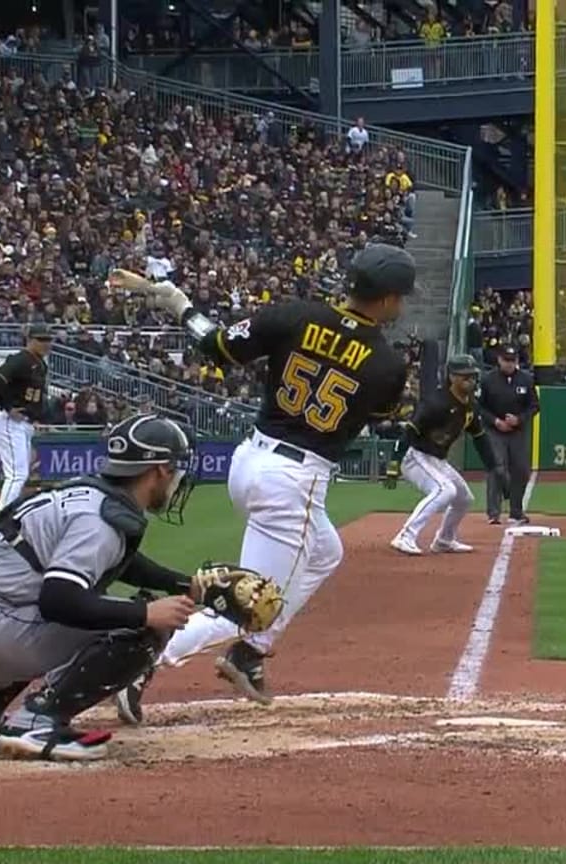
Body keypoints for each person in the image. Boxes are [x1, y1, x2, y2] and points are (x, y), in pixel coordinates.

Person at [103, 242, 410, 718]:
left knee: (326, 552)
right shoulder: (388, 364)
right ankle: (140, 662)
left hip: (249, 461)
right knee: (248, 604)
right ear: (387, 299)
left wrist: (177, 302)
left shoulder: (294, 315)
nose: (401, 305)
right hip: (295, 480)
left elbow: (215, 344)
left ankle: (250, 653)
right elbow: (380, 413)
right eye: (400, 298)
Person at [0, 414, 202, 762]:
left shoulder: (88, 495)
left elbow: (115, 559)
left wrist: (183, 584)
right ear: (161, 470)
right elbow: (59, 601)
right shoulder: (99, 520)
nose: (178, 478)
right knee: (139, 628)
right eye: (176, 468)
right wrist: (145, 613)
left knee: (78, 604)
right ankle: (38, 722)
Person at [386, 352, 497, 555]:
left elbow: (480, 437)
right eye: (465, 376)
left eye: (473, 376)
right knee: (445, 490)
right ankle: (405, 536)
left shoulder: (470, 405)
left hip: (437, 459)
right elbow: (409, 431)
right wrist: (394, 462)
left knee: (464, 499)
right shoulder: (436, 402)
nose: (470, 380)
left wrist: (493, 467)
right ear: (452, 376)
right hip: (416, 456)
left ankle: (444, 540)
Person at [0, 323, 53, 513]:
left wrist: (39, 418)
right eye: (41, 339)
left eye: (48, 340)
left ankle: (6, 513)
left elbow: (36, 398)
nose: (46, 343)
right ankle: (2, 517)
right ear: (30, 340)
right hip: (10, 421)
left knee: (20, 474)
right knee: (17, 474)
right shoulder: (21, 359)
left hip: (24, 422)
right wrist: (8, 406)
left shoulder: (40, 364)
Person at [477, 346, 540, 524]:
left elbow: (534, 406)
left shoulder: (526, 379)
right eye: (506, 360)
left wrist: (519, 419)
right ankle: (493, 512)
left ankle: (516, 511)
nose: (510, 364)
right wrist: (495, 421)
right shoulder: (488, 379)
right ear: (499, 360)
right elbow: (479, 406)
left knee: (521, 470)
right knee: (497, 468)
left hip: (518, 431)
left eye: (513, 360)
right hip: (495, 430)